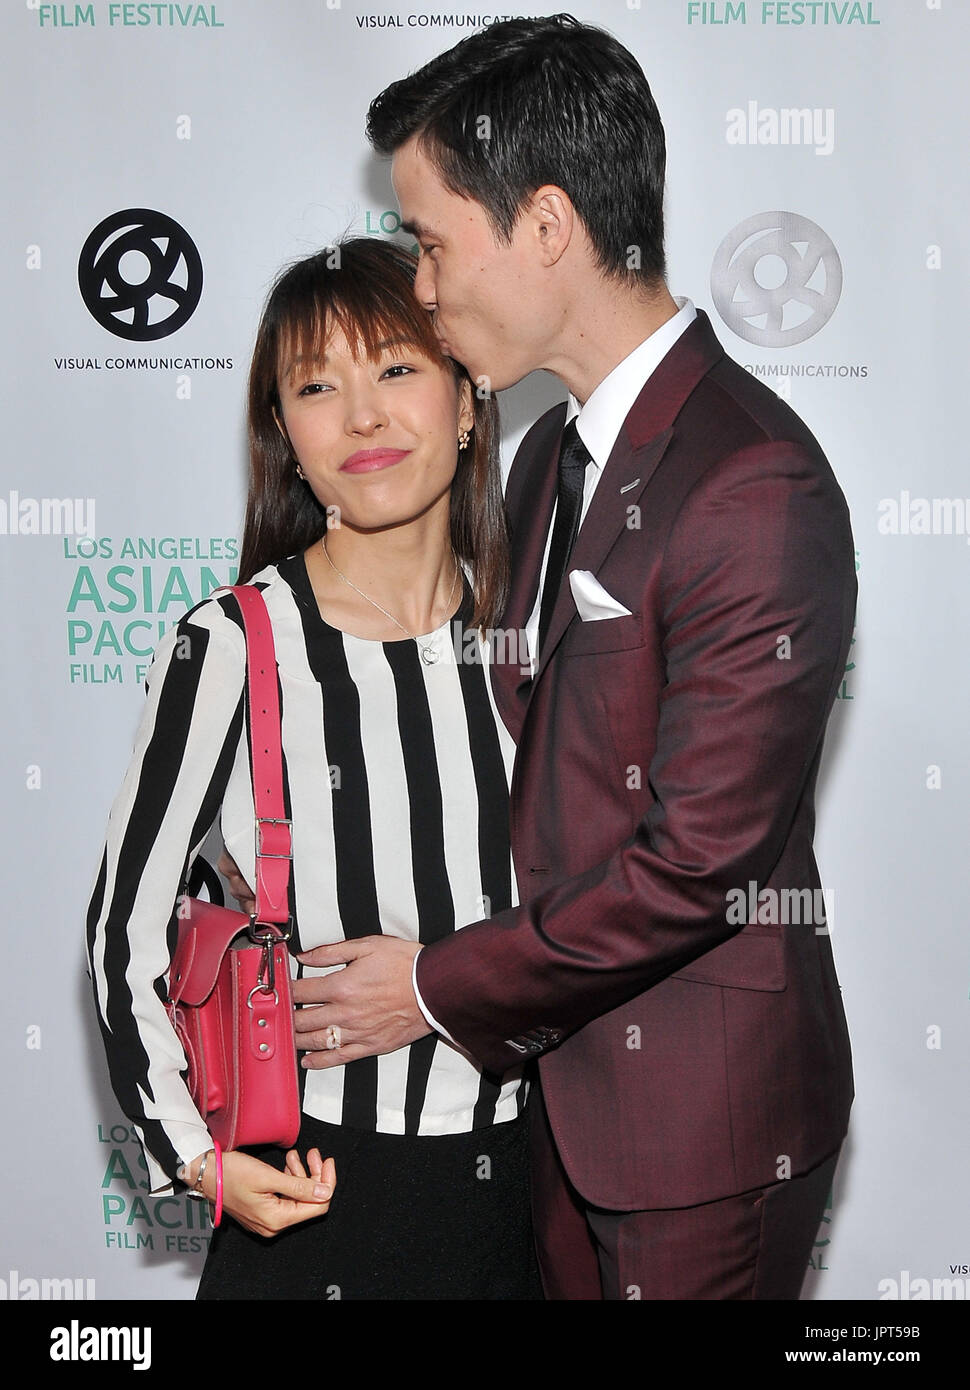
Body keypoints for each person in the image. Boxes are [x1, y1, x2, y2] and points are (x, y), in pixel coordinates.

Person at [289, 17, 857, 1300]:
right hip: (552, 1100)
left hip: (701, 1130)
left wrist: (430, 988)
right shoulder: (551, 457)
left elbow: (697, 863)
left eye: (432, 243)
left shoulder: (750, 480)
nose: (422, 290)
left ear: (546, 225)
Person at [86, 236, 541, 1300]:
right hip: (323, 1189)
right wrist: (192, 1158)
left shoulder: (539, 626)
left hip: (531, 1183)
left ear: (467, 401)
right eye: (315, 386)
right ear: (285, 434)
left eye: (395, 368)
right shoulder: (234, 645)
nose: (363, 417)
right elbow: (124, 928)